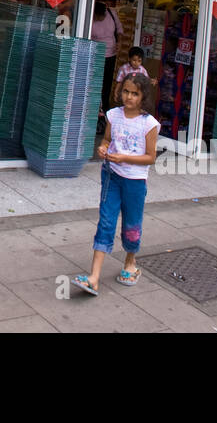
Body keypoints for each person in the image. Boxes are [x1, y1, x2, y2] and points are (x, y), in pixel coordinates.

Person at [72, 74, 158, 295]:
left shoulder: (149, 124)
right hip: (111, 175)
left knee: (131, 225)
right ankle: (94, 277)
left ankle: (130, 262)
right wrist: (103, 148)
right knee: (106, 221)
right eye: (126, 91)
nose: (129, 97)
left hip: (135, 182)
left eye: (135, 93)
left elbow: (150, 157)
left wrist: (125, 158)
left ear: (143, 96)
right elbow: (107, 140)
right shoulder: (113, 115)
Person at [90, 0, 123, 133]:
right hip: (96, 55)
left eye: (102, 16)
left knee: (107, 84)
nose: (101, 18)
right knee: (96, 84)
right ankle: (96, 112)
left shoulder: (111, 13)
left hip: (111, 55)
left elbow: (120, 29)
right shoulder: (90, 20)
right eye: (98, 17)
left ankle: (105, 111)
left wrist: (120, 42)